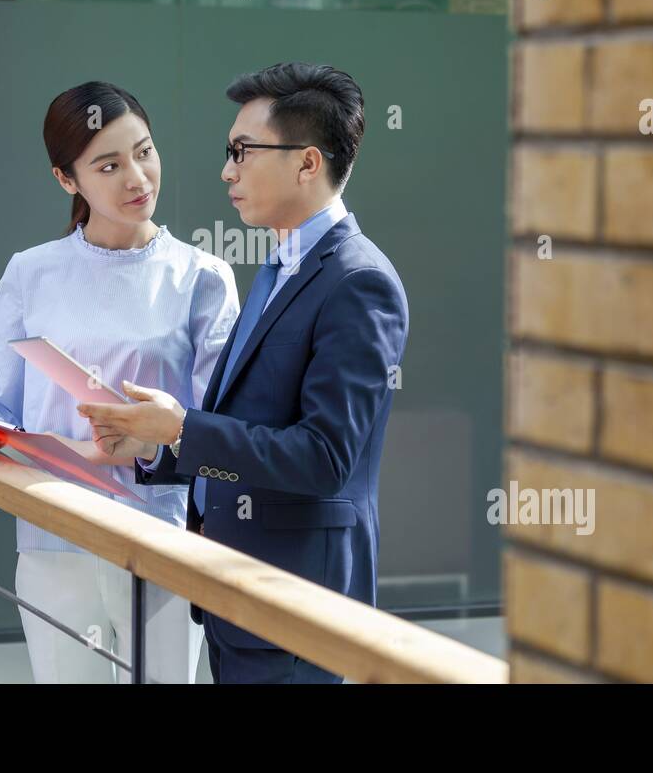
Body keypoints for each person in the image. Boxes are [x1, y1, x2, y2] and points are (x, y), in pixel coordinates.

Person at [78, 62, 410, 684]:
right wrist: (161, 444)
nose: (227, 170)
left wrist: (184, 429)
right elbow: (249, 425)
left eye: (243, 151)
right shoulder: (278, 264)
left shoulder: (359, 283)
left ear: (307, 163)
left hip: (299, 608)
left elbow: (324, 459)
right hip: (237, 595)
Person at [0, 81, 238, 683]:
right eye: (109, 165)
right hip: (54, 534)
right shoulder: (32, 273)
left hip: (160, 535)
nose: (137, 178)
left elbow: (221, 427)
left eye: (144, 152)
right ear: (66, 179)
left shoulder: (201, 277)